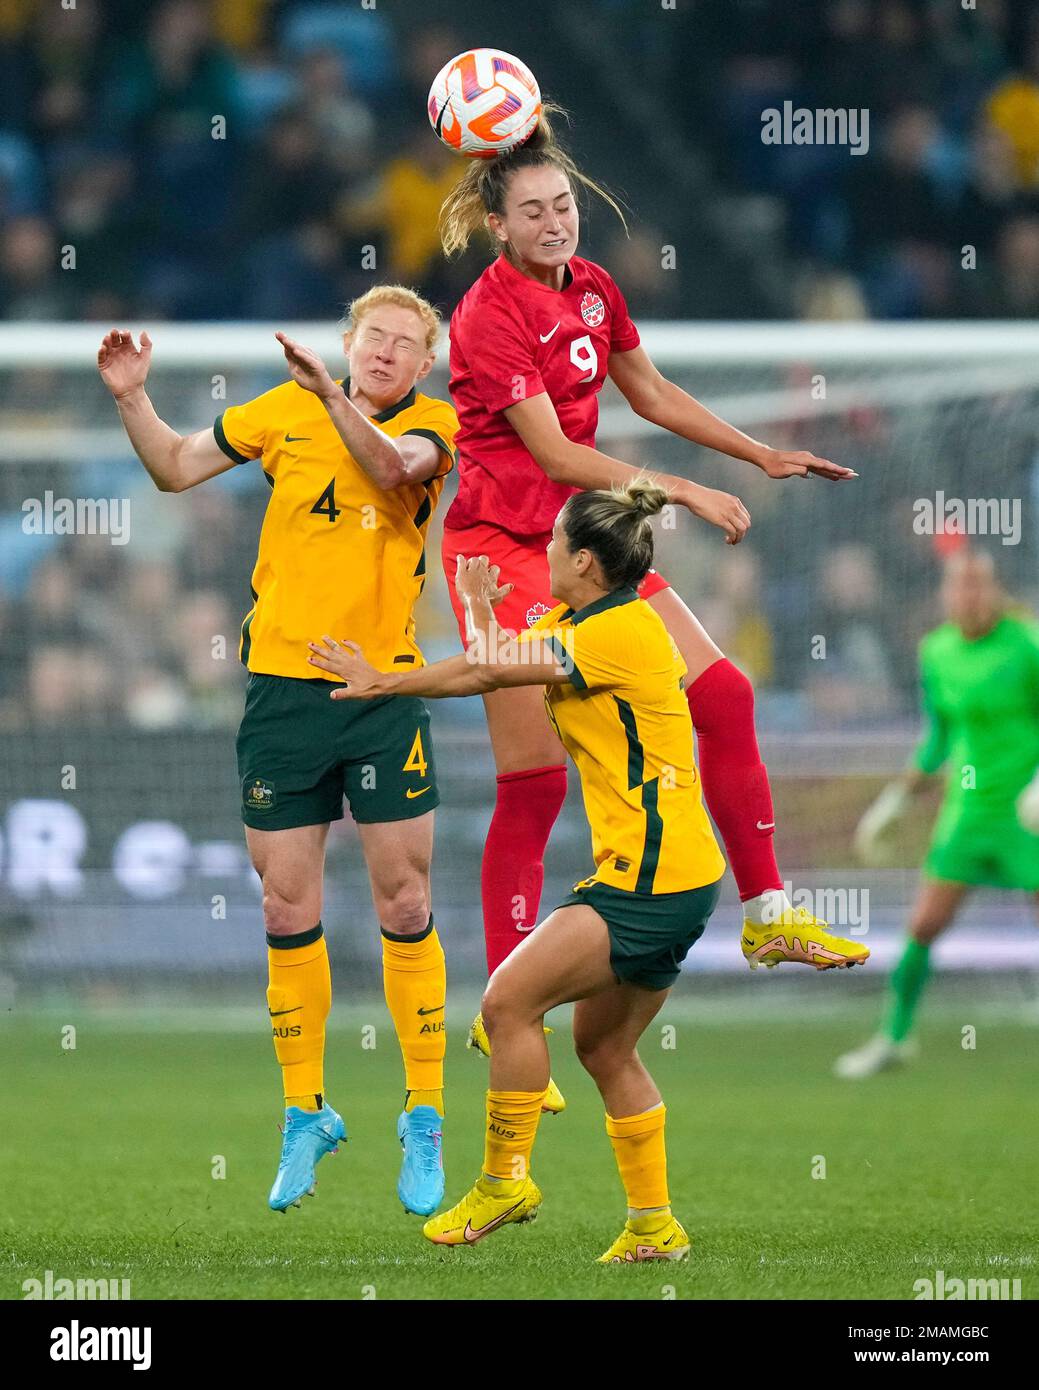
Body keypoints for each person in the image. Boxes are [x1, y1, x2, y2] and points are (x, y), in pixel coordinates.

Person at [435, 107, 867, 1106]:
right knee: (534, 779)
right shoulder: (486, 315)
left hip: (584, 542)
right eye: (533, 211)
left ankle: (767, 911)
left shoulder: (592, 290)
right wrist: (674, 489)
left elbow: (654, 391)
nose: (556, 223)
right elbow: (551, 455)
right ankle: (509, 999)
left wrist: (755, 454)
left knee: (723, 692)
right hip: (504, 547)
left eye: (564, 205)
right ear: (497, 226)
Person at [97, 286, 459, 1216]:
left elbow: (391, 472)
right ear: (348, 342)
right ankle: (306, 1112)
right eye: (370, 338)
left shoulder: (435, 424)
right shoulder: (283, 409)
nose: (383, 353)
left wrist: (333, 400)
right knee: (284, 901)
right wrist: (133, 397)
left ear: (424, 364)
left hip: (382, 689)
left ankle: (423, 1112)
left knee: (406, 896)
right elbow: (177, 468)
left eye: (402, 344)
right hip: (282, 693)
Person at [309, 478, 726, 1261]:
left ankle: (505, 1180)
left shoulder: (615, 635)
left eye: (552, 542)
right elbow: (488, 666)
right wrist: (432, 644)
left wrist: (420, 650)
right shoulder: (595, 621)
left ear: (581, 560)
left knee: (505, 1006)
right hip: (677, 873)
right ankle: (653, 1227)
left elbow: (488, 670)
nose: (540, 554)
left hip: (648, 878)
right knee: (603, 1049)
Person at [839, 550, 1039, 1078]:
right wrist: (896, 801)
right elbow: (939, 738)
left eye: (979, 586)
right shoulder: (938, 651)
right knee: (924, 924)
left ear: (995, 591)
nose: (969, 596)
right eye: (959, 587)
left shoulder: (1027, 644)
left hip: (1029, 812)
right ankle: (894, 1039)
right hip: (968, 812)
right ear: (945, 595)